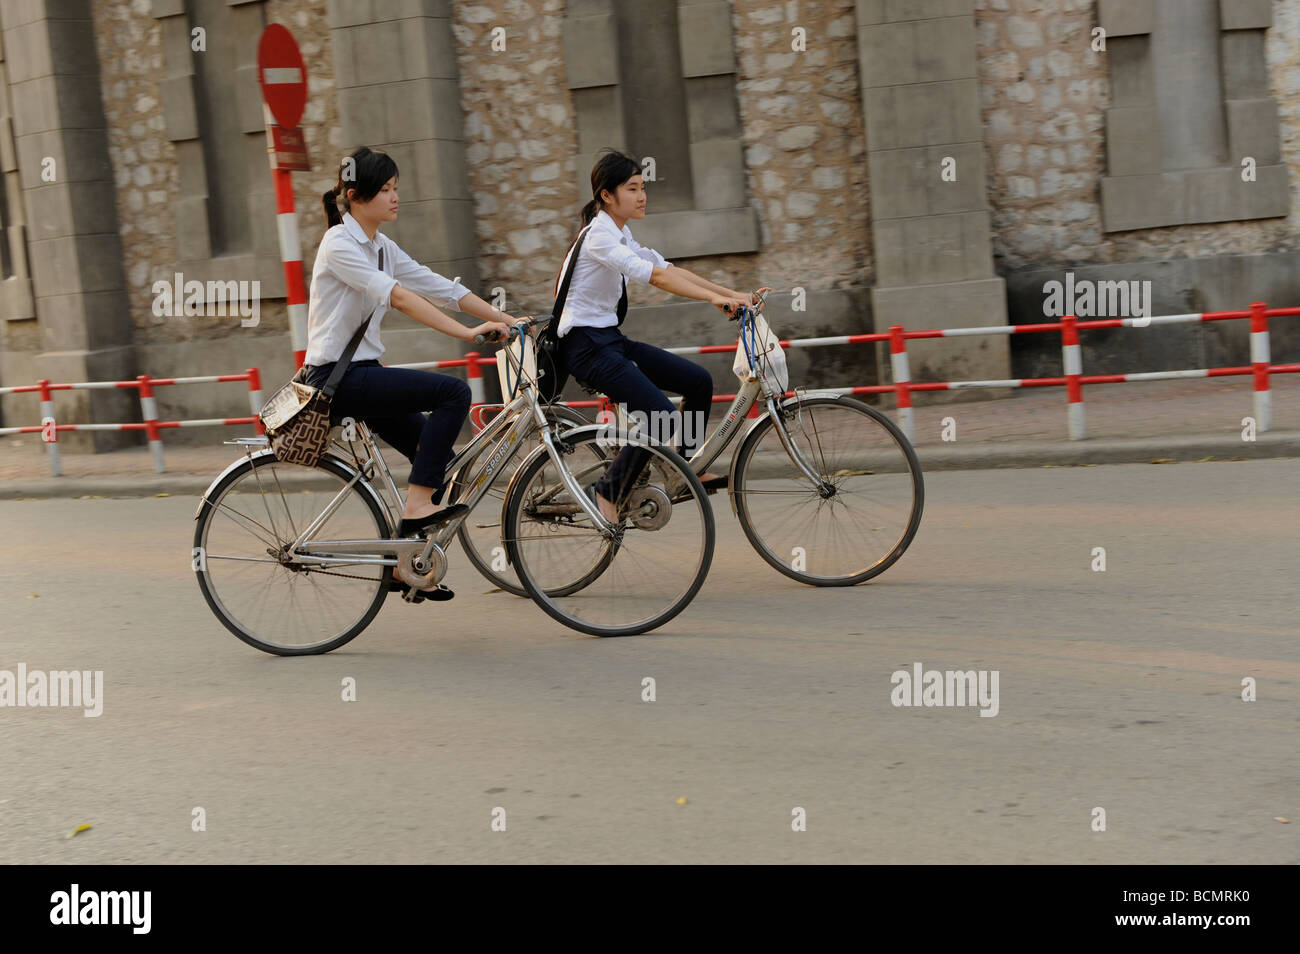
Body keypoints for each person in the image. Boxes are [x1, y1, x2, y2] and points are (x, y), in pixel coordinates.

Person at [302, 146, 514, 540]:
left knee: (440, 465)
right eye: (384, 189)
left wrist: (505, 318)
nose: (395, 196)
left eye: (395, 187)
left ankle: (409, 562)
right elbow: (398, 296)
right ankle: (416, 508)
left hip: (364, 375)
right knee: (453, 393)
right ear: (355, 196)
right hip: (336, 378)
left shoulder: (382, 247)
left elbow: (441, 289)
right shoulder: (339, 244)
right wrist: (466, 333)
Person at [556, 150, 769, 522]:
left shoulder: (621, 233)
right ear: (607, 195)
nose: (642, 196)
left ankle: (681, 468)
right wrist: (715, 298)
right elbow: (656, 278)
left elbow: (667, 268)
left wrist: (732, 295)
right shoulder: (599, 238)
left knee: (697, 381)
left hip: (608, 339)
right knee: (661, 417)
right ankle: (608, 491)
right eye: (632, 188)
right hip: (586, 346)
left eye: (643, 187)